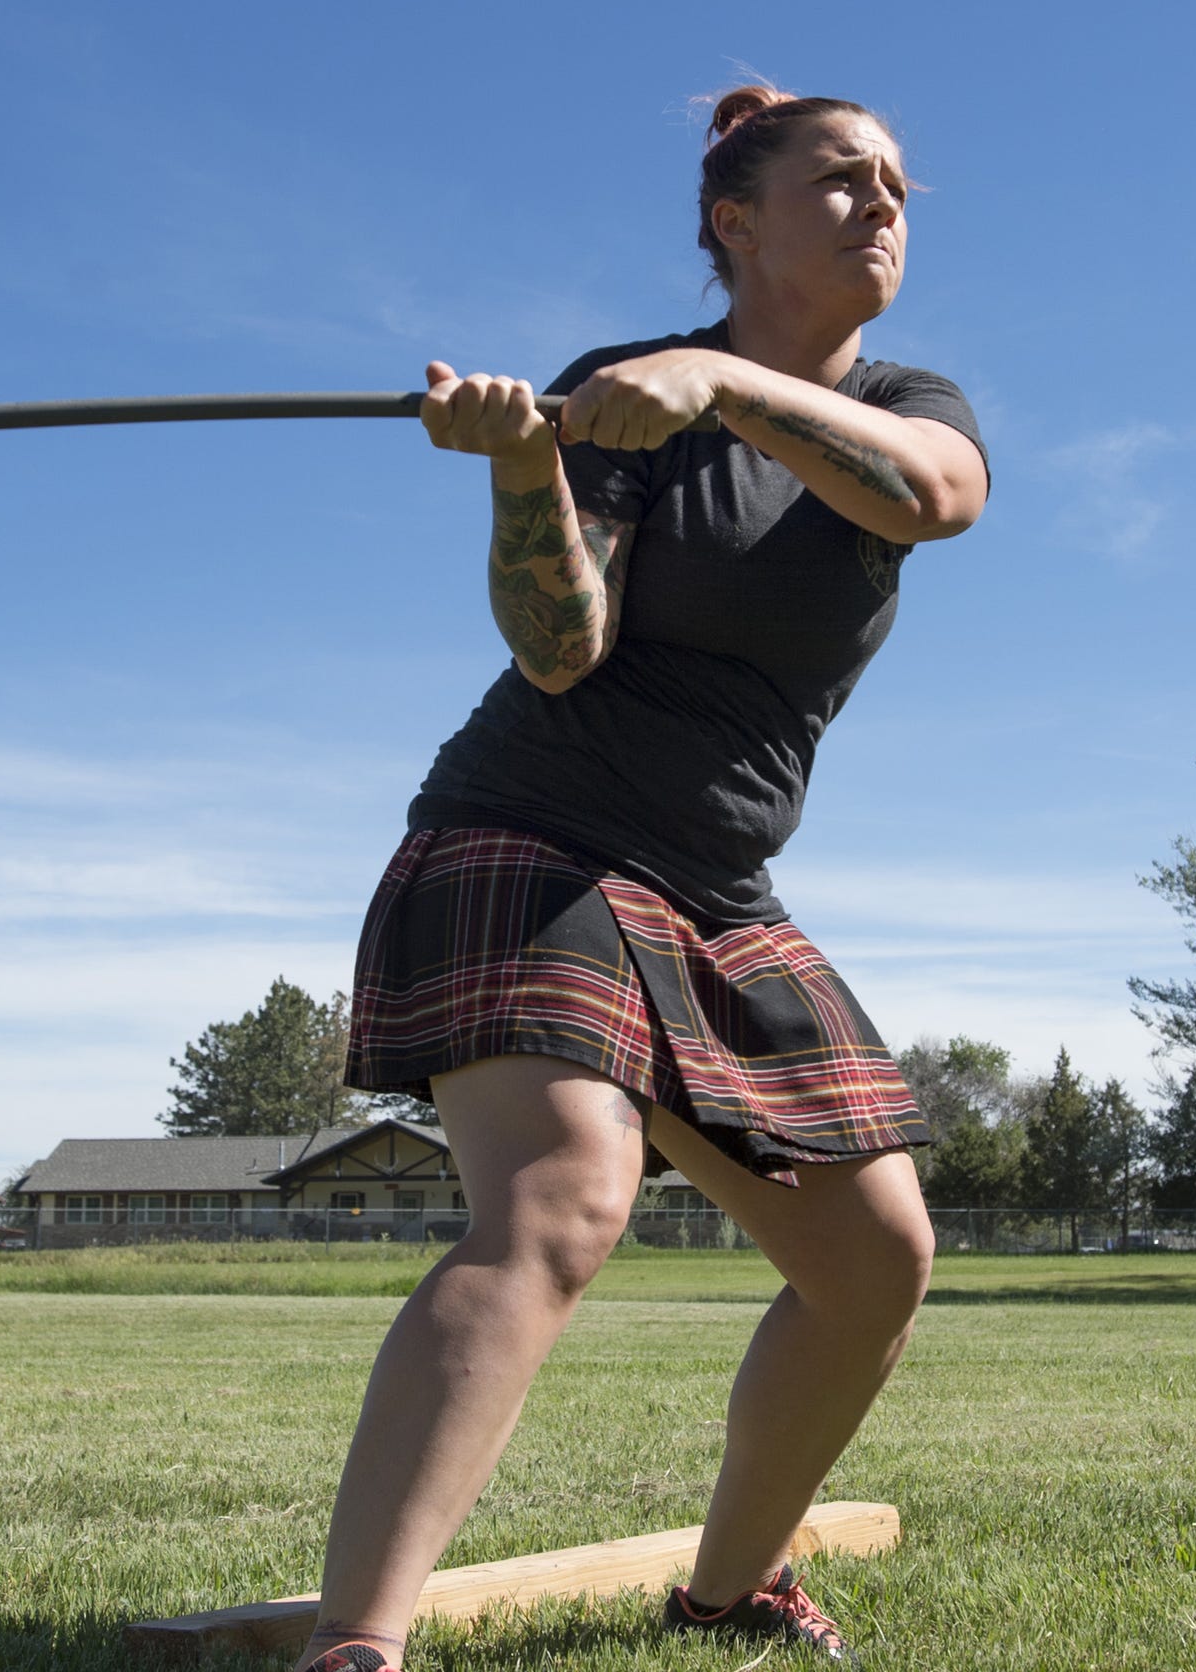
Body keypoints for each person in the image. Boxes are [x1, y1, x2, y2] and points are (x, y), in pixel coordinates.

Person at [299, 84, 990, 1672]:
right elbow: (560, 650)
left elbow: (935, 499)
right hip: (534, 834)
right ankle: (361, 1643)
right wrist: (518, 468)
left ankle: (729, 1586)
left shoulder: (904, 401)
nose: (884, 203)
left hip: (719, 887)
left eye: (898, 183)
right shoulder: (617, 397)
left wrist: (722, 386)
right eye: (841, 178)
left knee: (877, 1259)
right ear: (735, 223)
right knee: (561, 1200)